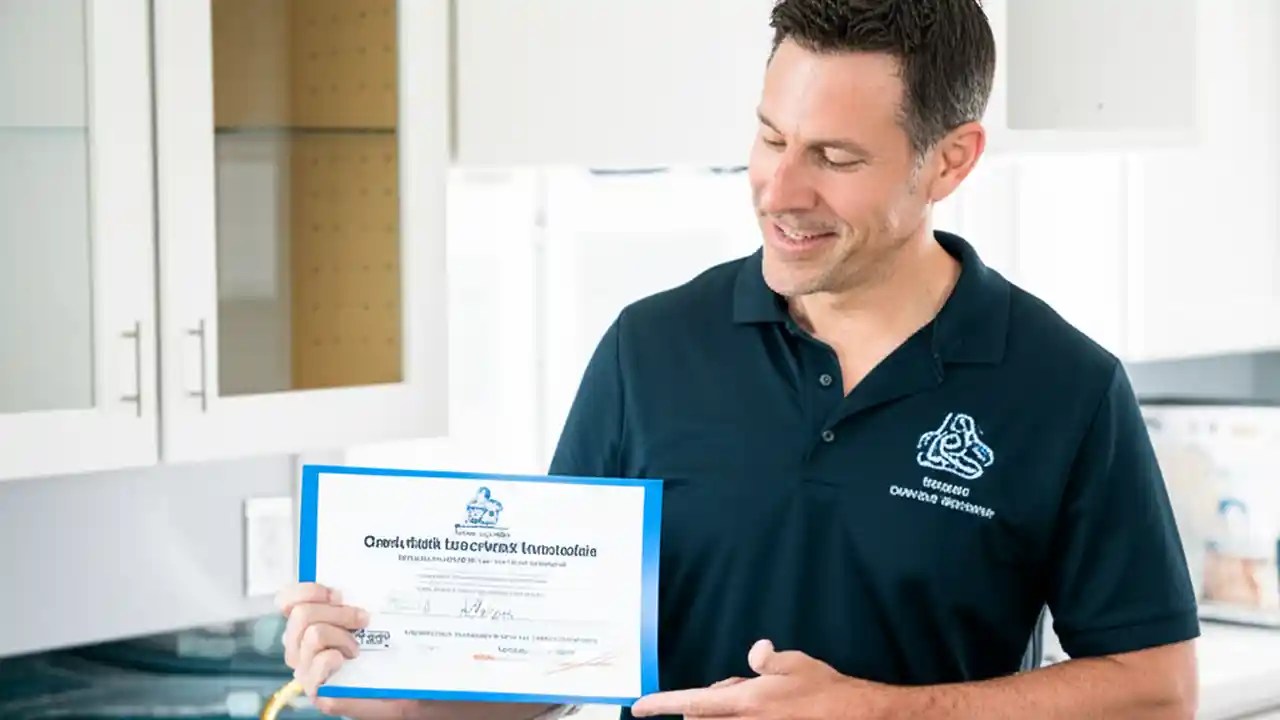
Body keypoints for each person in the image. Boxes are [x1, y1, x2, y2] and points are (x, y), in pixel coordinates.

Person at [275, 0, 1202, 718]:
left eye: (835, 157)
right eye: (769, 137)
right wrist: (397, 691)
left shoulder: (1065, 387)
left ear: (949, 162)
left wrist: (881, 711)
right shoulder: (649, 348)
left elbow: (1158, 691)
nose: (779, 190)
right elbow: (557, 663)